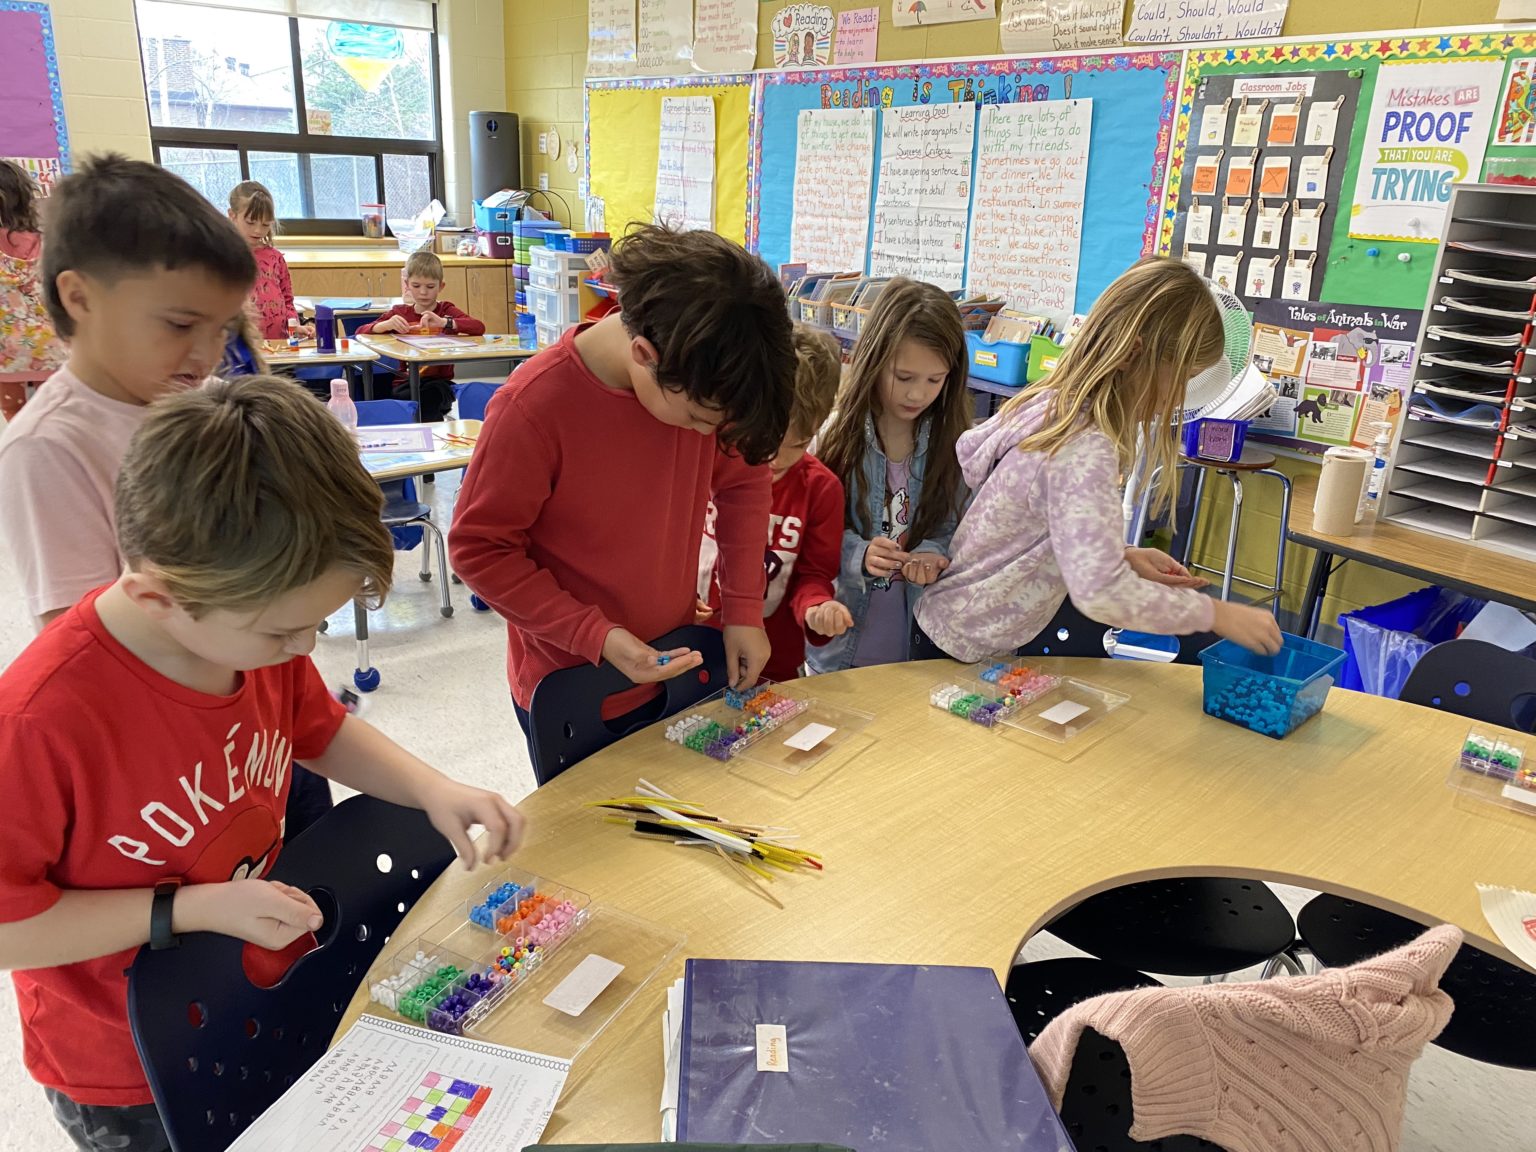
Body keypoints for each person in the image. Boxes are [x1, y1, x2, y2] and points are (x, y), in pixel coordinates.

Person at [0, 377, 526, 1152]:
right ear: (157, 601)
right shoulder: (40, 719)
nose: (304, 650)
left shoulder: (248, 639)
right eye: (284, 632)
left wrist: (432, 789)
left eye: (315, 624)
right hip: (126, 1068)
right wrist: (190, 909)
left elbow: (319, 731)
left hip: (248, 988)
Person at [449, 224, 794, 736]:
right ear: (644, 357)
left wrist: (743, 609)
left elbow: (744, 481)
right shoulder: (534, 408)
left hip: (676, 667)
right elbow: (479, 550)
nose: (710, 435)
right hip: (571, 685)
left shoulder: (703, 380)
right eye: (702, 420)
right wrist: (598, 635)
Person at [914, 258, 1284, 661]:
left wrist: (1120, 556)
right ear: (1134, 354)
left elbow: (1034, 526)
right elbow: (1101, 593)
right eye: (1182, 377)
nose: (1179, 396)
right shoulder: (1083, 445)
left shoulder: (1054, 405)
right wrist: (1216, 614)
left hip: (960, 628)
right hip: (964, 643)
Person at [0, 154, 255, 631]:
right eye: (181, 324)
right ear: (80, 298)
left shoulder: (208, 399)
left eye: (224, 328)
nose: (207, 355)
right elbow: (76, 635)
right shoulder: (48, 447)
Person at [809, 278, 971, 673]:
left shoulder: (954, 446)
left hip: (918, 646)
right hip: (840, 651)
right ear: (875, 361)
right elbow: (811, 534)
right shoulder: (833, 437)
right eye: (904, 378)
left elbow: (955, 527)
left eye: (935, 380)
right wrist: (857, 553)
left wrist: (934, 553)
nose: (918, 395)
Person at [697, 324, 852, 682]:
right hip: (691, 653)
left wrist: (817, 608)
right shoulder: (707, 461)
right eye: (765, 440)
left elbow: (813, 577)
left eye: (798, 445)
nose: (775, 459)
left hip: (771, 665)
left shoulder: (821, 489)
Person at [356, 250, 486, 423]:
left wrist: (445, 322)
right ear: (407, 285)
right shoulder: (400, 312)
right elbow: (360, 332)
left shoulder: (445, 310)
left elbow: (478, 327)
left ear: (441, 286)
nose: (423, 292)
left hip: (439, 383)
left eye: (430, 287)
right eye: (416, 286)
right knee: (408, 398)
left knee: (430, 396)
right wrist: (384, 325)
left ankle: (432, 437)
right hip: (405, 383)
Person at [0, 158, 66, 420]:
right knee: (59, 421)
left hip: (5, 359)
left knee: (19, 421)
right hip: (53, 350)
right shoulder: (50, 242)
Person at [227, 180, 312, 341]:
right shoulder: (223, 255)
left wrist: (294, 326)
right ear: (232, 215)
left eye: (265, 224)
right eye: (250, 222)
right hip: (240, 346)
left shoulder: (275, 258)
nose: (258, 230)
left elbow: (287, 301)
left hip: (279, 344)